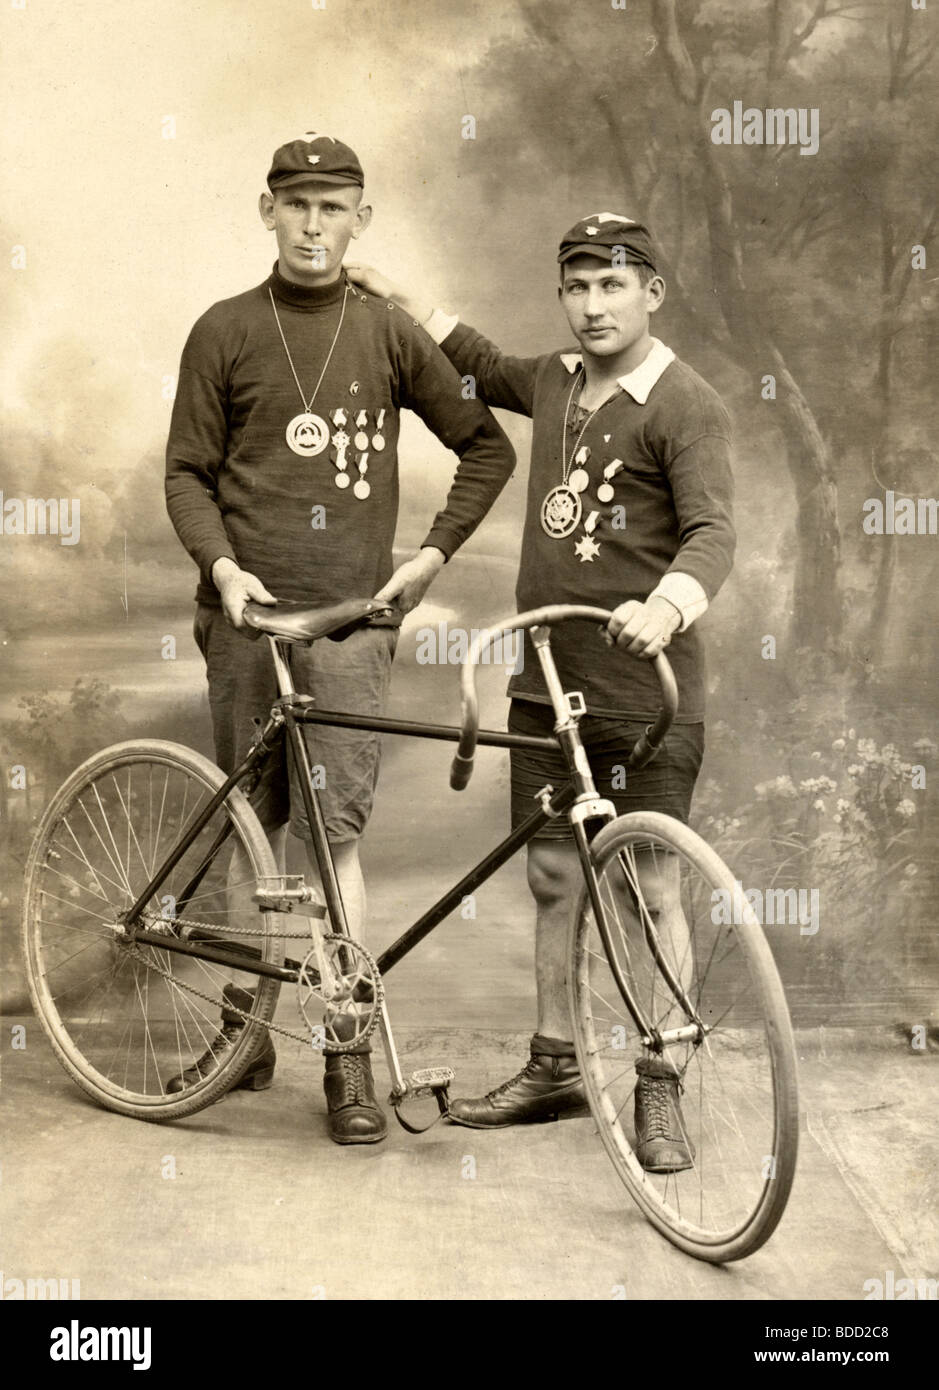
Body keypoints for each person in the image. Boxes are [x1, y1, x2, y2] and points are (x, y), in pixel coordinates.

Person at [346, 212, 735, 1170]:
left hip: (642, 691)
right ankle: (555, 1065)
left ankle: (658, 1082)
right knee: (555, 877)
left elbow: (712, 533)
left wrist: (666, 606)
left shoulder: (685, 404)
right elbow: (482, 364)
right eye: (577, 288)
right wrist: (400, 296)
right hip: (547, 686)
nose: (593, 307)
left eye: (613, 286)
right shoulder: (557, 380)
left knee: (650, 886)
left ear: (651, 292)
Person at [164, 134, 515, 1145]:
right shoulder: (223, 329)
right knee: (252, 834)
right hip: (247, 623)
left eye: (333, 208)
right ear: (266, 210)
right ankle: (245, 1037)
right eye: (296, 205)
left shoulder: (388, 330)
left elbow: (485, 446)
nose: (313, 226)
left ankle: (346, 1054)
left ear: (362, 219)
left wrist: (432, 557)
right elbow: (186, 473)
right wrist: (223, 571)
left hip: (352, 626)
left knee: (335, 843)